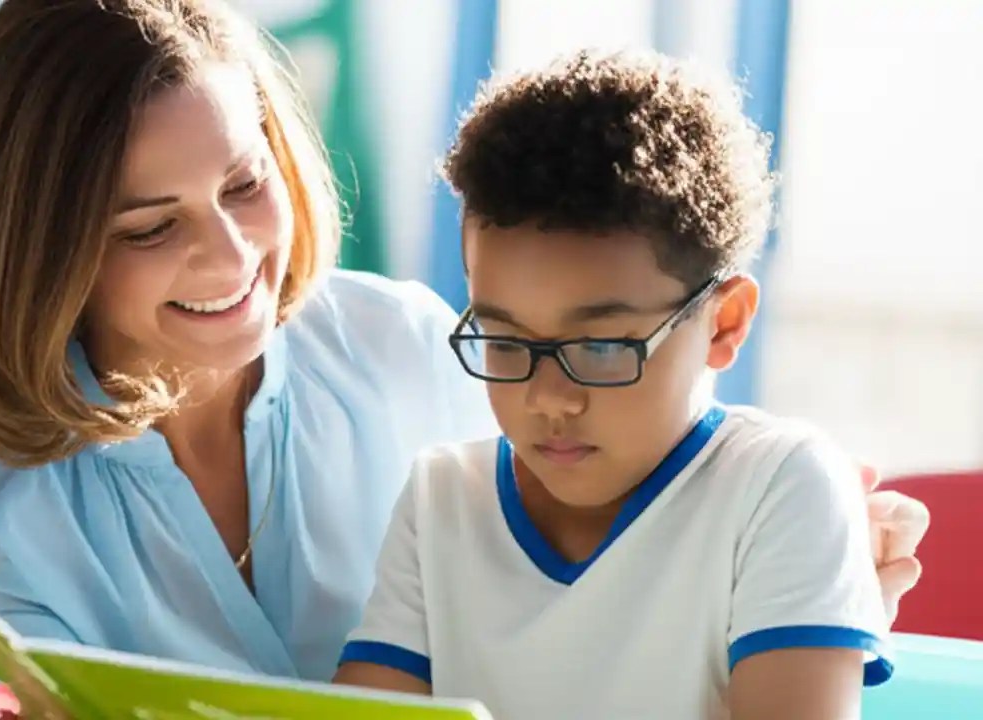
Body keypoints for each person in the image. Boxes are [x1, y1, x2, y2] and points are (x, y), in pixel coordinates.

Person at [0, 2, 928, 718]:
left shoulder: (402, 347)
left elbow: (619, 556)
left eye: (245, 185)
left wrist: (784, 573)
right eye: (150, 226)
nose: (232, 255)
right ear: (39, 240)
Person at [334, 50, 902, 720]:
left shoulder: (780, 486)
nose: (548, 398)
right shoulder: (440, 502)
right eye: (508, 340)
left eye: (601, 347)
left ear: (723, 323)